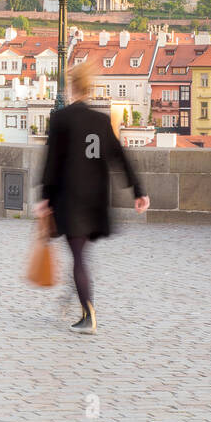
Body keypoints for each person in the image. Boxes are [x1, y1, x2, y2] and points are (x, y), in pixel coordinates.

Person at [37, 60, 150, 335]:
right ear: (90, 87)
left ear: (73, 86)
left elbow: (52, 163)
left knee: (77, 256)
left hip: (71, 200)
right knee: (80, 254)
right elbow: (120, 156)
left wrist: (44, 197)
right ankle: (73, 293)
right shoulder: (101, 121)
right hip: (96, 200)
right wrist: (138, 190)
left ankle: (88, 313)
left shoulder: (62, 119)